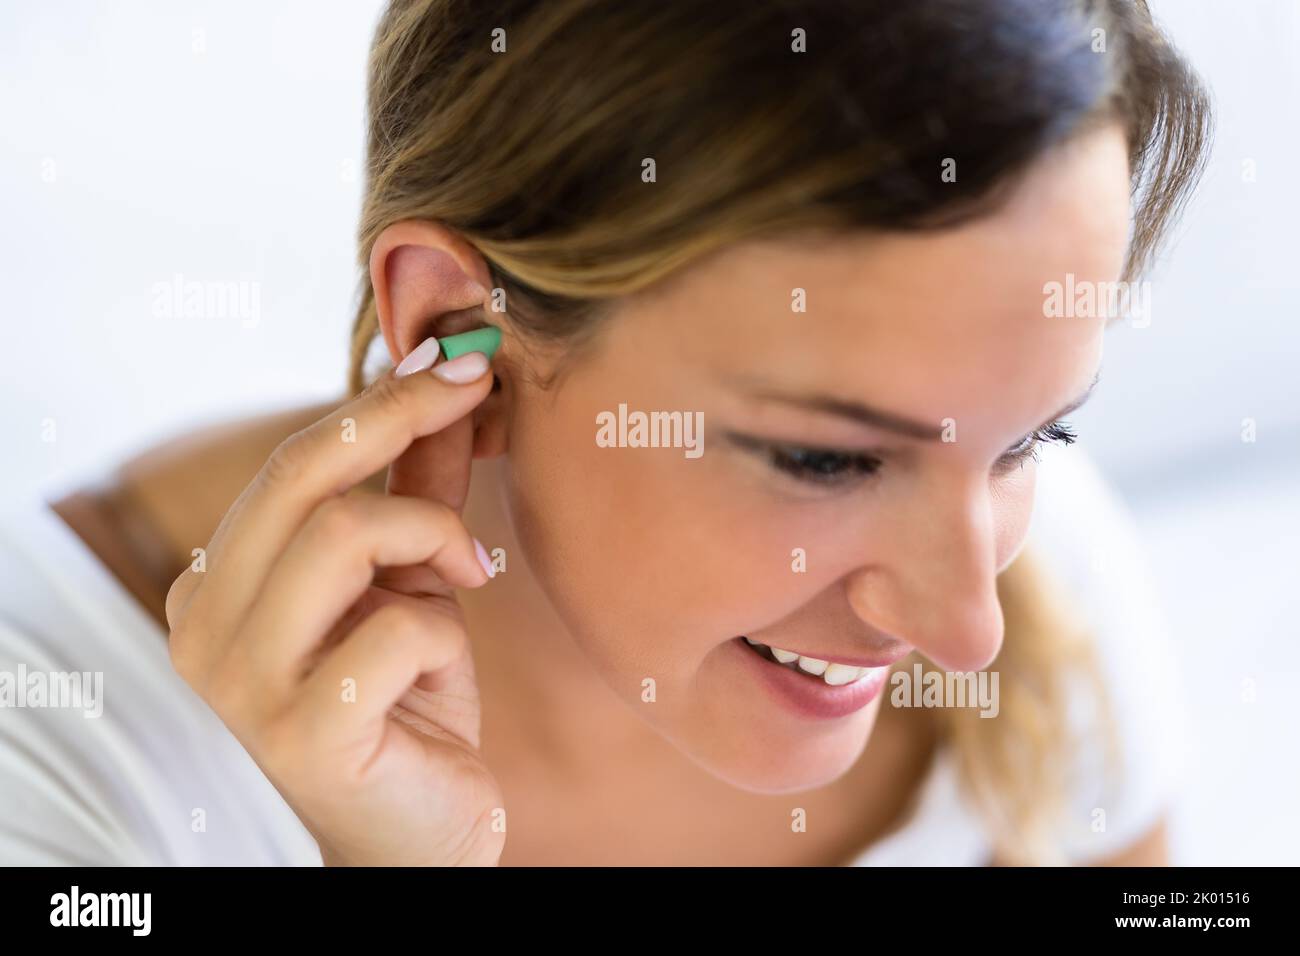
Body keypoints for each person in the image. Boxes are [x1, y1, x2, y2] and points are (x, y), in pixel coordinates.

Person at [0, 0, 1209, 865]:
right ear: (455, 323)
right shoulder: (48, 755)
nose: (966, 626)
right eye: (823, 458)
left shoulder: (1054, 587)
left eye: (1030, 439)